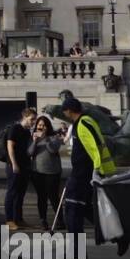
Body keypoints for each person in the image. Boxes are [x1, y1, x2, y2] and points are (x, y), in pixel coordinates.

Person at [61, 98, 117, 240]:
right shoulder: (80, 123)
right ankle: (118, 236)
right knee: (84, 210)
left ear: (69, 110)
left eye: (64, 110)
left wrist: (96, 171)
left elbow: (96, 146)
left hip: (83, 176)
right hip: (82, 174)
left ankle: (77, 253)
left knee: (73, 213)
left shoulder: (83, 123)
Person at [3, 108, 37, 230]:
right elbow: (10, 147)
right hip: (14, 166)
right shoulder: (15, 128)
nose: (33, 122)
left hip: (24, 166)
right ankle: (9, 220)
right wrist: (14, 164)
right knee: (12, 193)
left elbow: (27, 150)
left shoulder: (27, 131)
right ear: (24, 117)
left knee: (20, 194)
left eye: (34, 119)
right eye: (31, 119)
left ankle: (19, 219)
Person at [29, 116, 63, 230]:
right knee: (41, 197)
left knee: (53, 197)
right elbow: (29, 153)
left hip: (52, 172)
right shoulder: (33, 137)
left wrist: (46, 139)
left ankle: (60, 220)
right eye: (39, 125)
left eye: (43, 125)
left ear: (47, 126)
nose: (41, 127)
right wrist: (34, 142)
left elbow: (53, 150)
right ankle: (43, 220)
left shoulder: (54, 137)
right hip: (37, 172)